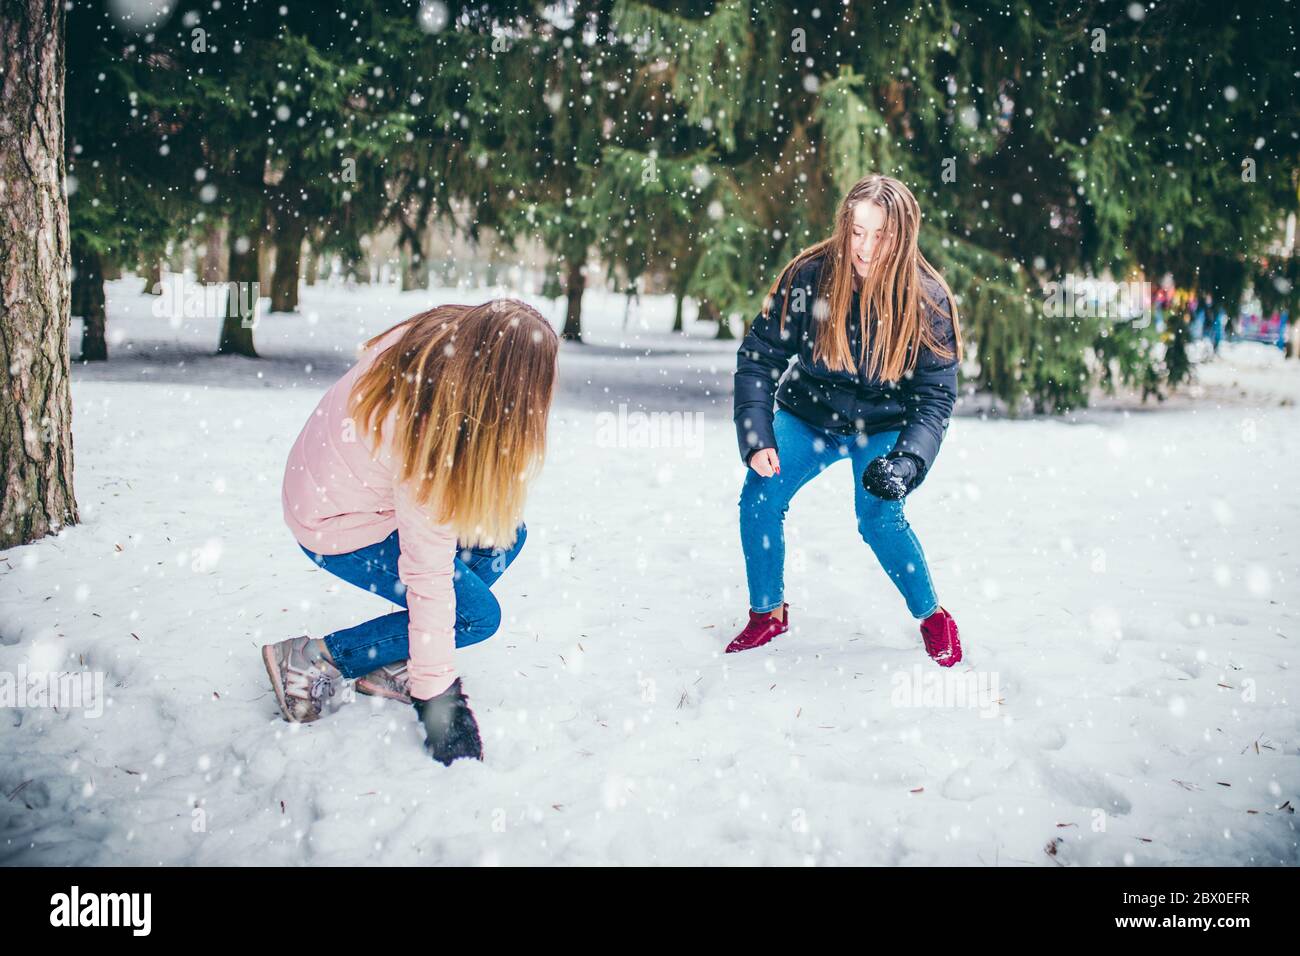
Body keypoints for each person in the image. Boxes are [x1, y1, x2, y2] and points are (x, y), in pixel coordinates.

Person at [265, 300, 558, 766]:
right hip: (336, 524)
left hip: (342, 492)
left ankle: (398, 660)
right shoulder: (430, 430)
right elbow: (428, 575)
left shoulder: (443, 346)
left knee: (505, 537)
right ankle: (315, 658)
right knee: (475, 617)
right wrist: (441, 704)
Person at [730, 174, 963, 665]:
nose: (865, 247)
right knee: (759, 496)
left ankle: (933, 616)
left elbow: (934, 398)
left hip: (884, 426)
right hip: (811, 415)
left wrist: (905, 463)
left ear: (903, 236)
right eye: (857, 231)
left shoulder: (928, 300)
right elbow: (759, 357)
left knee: (878, 517)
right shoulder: (807, 278)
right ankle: (767, 613)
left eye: (880, 235)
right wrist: (757, 437)